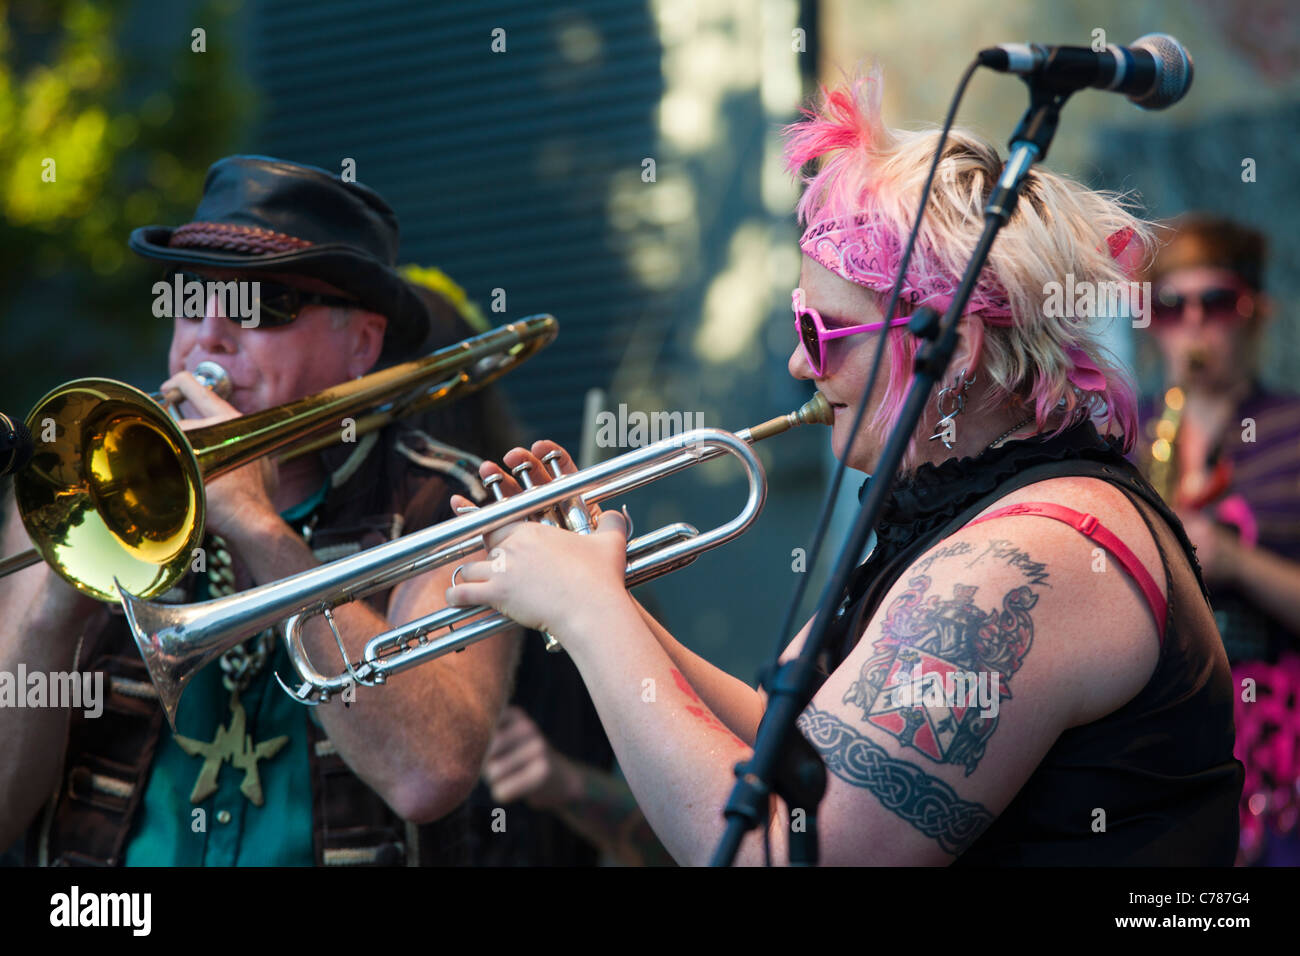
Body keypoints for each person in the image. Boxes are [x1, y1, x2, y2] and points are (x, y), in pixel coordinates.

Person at [442, 71, 1243, 865]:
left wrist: (589, 614)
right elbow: (783, 738)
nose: (797, 361)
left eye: (825, 332)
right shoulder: (959, 515)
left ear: (955, 354)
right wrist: (596, 593)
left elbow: (785, 855)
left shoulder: (1026, 559)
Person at [0, 156, 520, 866]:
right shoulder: (72, 479)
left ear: (360, 344)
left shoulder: (455, 502)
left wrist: (262, 531)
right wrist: (52, 613)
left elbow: (427, 773)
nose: (210, 336)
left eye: (261, 305)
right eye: (191, 299)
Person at [1137, 214, 1300, 866]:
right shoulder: (1129, 434)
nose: (1195, 324)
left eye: (1218, 302)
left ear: (1257, 311)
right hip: (1165, 739)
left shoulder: (1292, 430)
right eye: (1172, 305)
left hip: (1278, 745)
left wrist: (1235, 562)